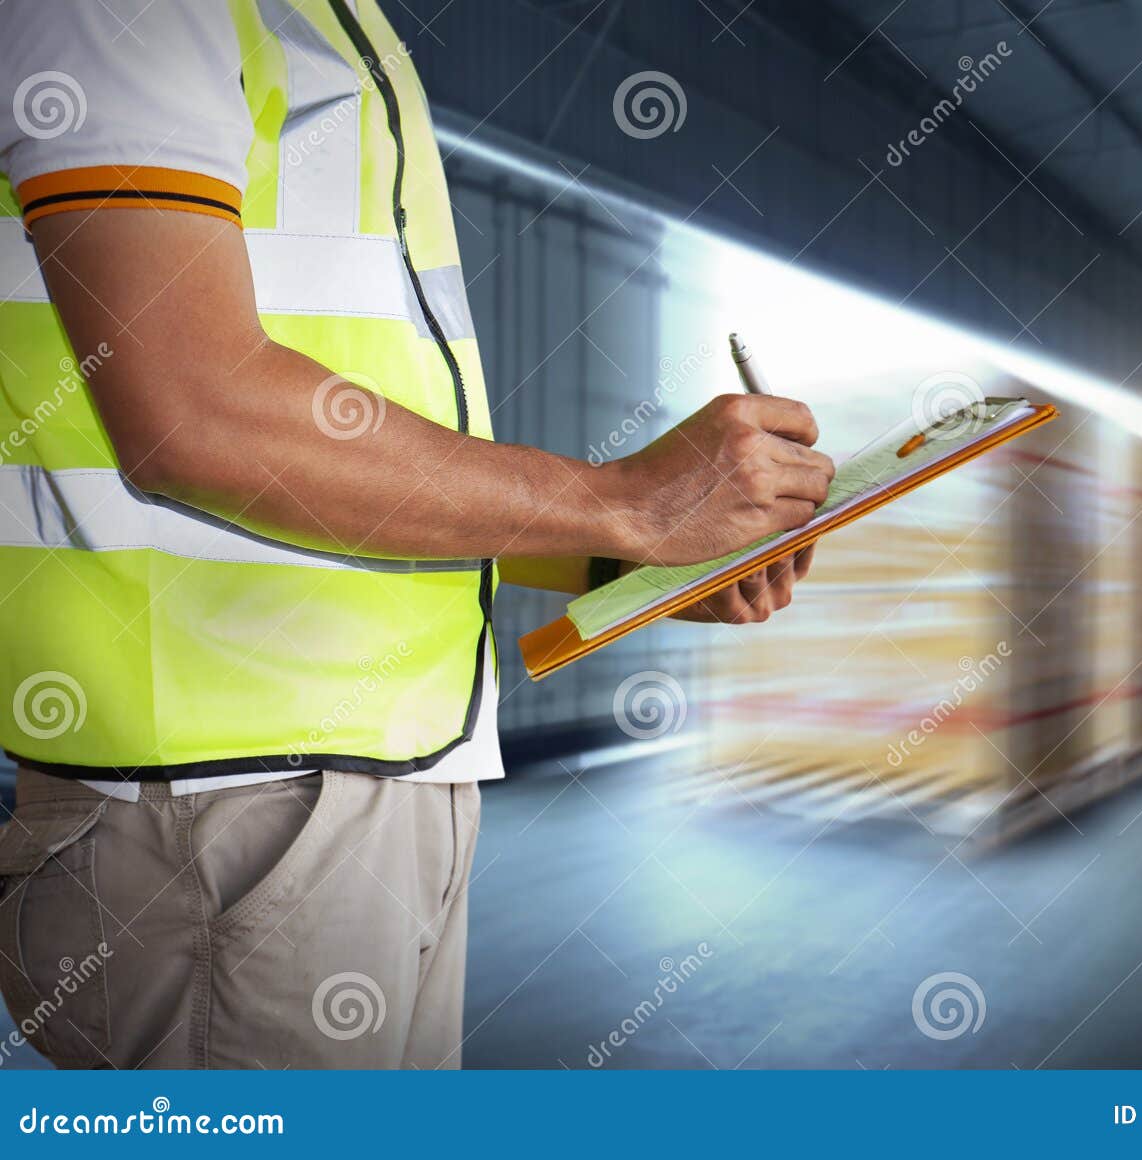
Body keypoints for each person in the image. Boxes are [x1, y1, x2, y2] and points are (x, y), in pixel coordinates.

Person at [0, 0, 831, 1069]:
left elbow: (361, 468)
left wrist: (621, 557)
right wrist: (624, 500)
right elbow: (193, 409)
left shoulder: (331, 21)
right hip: (222, 808)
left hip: (374, 788)